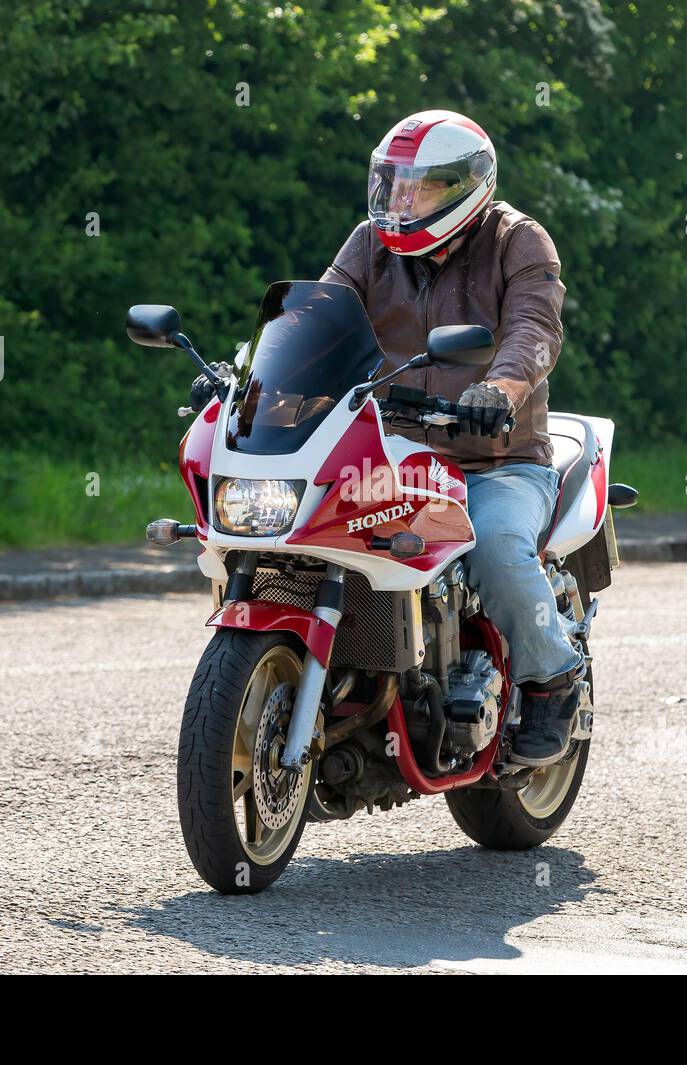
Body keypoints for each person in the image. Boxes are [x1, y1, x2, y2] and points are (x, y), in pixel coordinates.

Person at [193, 109, 585, 767]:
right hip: (391, 447)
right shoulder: (370, 244)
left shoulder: (518, 241)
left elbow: (533, 331)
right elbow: (320, 314)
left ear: (464, 186)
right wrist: (249, 383)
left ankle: (552, 681)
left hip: (498, 458)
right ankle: (345, 682)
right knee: (311, 533)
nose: (399, 201)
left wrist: (501, 391)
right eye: (392, 184)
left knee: (493, 547)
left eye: (418, 187)